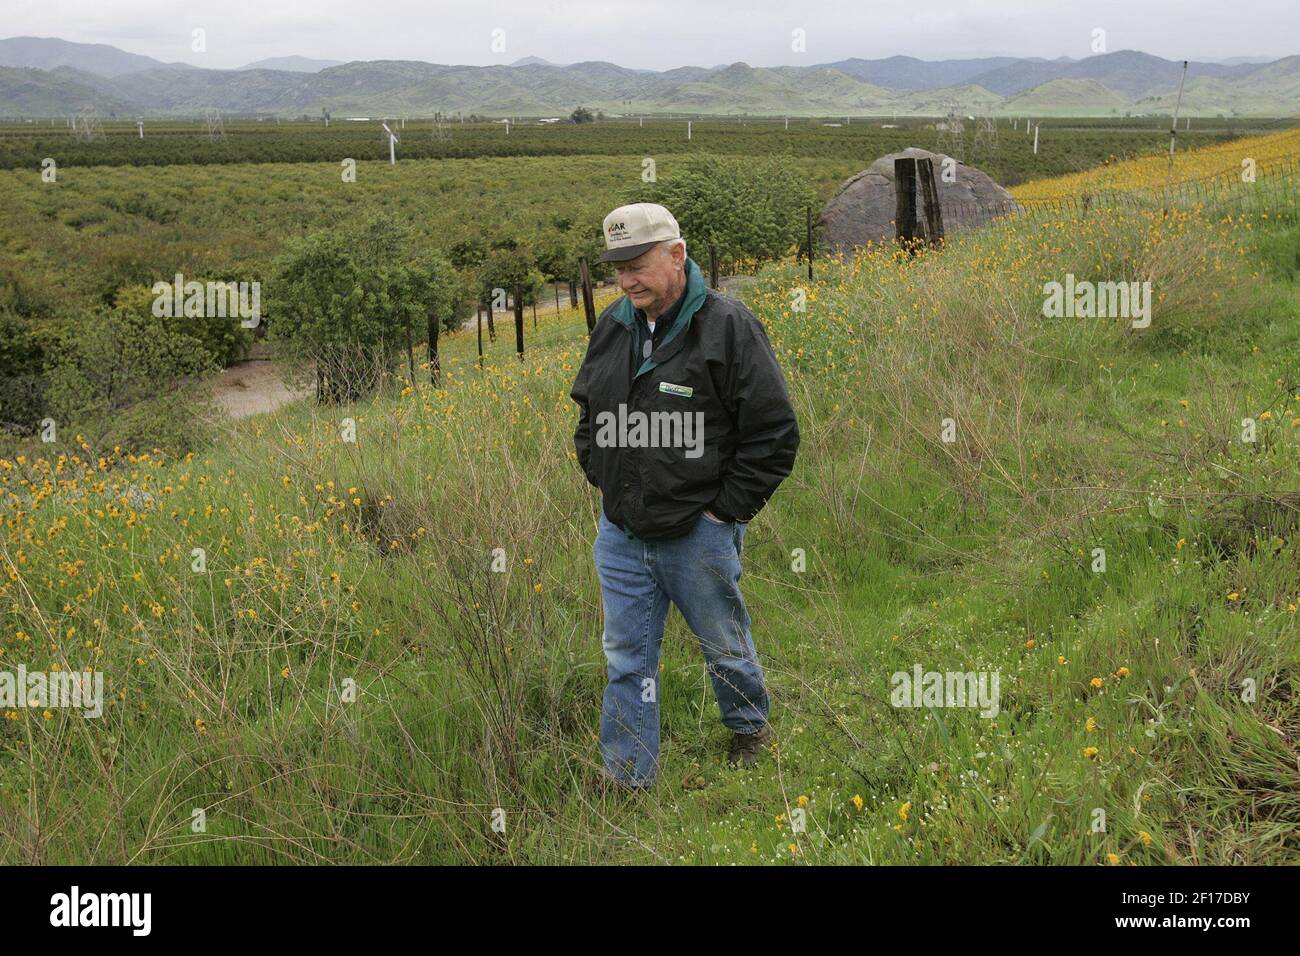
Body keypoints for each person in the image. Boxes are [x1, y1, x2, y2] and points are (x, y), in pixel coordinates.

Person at [569, 202, 800, 789]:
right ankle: (626, 775)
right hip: (620, 532)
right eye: (616, 268)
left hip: (698, 533)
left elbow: (773, 435)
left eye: (637, 265)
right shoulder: (613, 324)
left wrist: (723, 513)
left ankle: (749, 728)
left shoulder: (728, 327)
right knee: (626, 657)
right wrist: (603, 476)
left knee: (722, 642)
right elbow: (588, 410)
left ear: (676, 255)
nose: (625, 281)